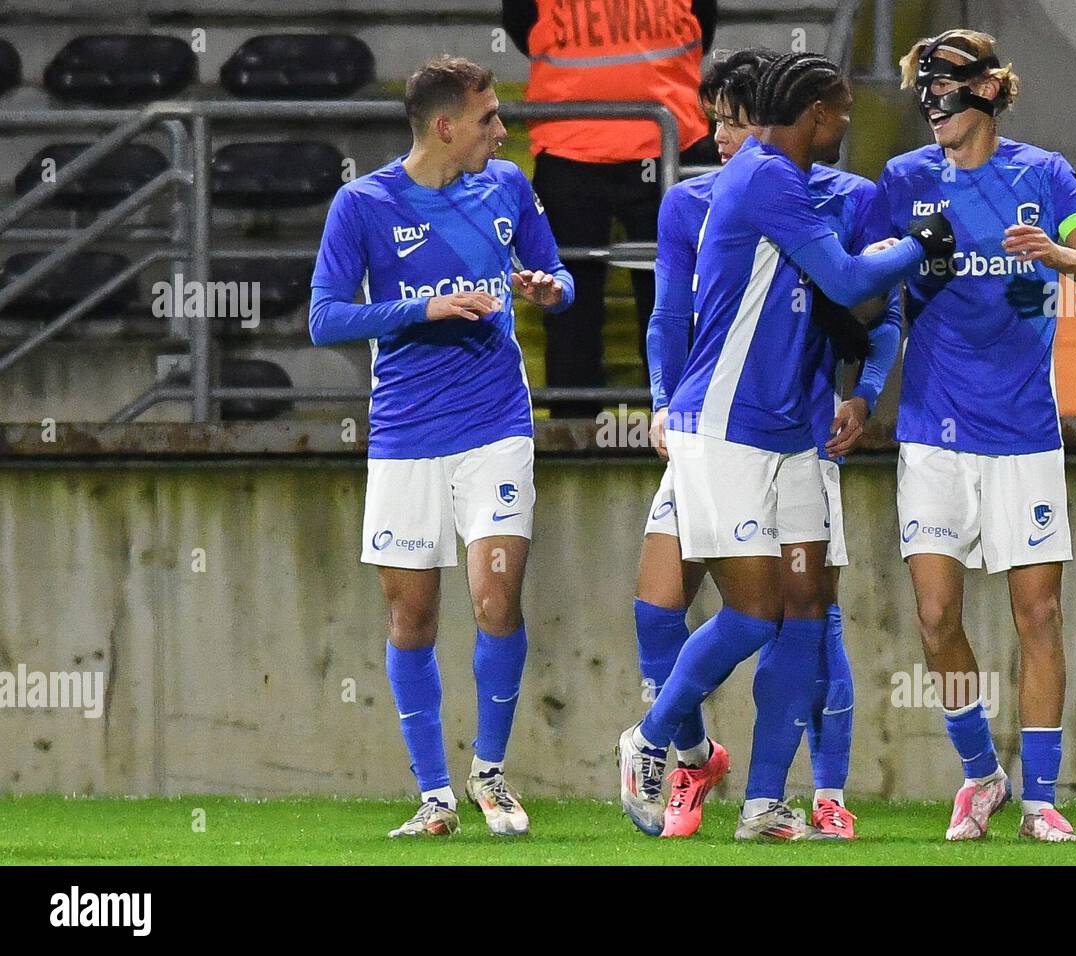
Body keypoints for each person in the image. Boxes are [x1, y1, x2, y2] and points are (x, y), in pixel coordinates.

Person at [617, 51, 954, 841]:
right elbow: (841, 277)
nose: (846, 124)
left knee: (802, 617)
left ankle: (766, 802)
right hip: (728, 428)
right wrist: (923, 241)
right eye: (839, 112)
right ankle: (655, 737)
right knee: (751, 612)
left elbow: (866, 305)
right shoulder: (762, 179)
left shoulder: (813, 187)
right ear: (811, 114)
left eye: (733, 115)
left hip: (799, 437)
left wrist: (865, 387)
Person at [862, 29, 1076, 842]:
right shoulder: (903, 179)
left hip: (1023, 434)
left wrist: (1057, 253)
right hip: (933, 435)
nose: (930, 103)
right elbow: (867, 286)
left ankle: (1042, 800)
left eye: (941, 87)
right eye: (923, 90)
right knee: (937, 618)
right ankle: (982, 779)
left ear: (983, 90)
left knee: (1037, 616)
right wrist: (867, 383)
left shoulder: (1042, 176)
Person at [308, 56, 574, 838]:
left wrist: (550, 288)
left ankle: (490, 774)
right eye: (490, 118)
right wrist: (425, 307)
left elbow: (557, 274)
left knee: (495, 599)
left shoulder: (510, 187)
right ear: (447, 126)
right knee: (411, 619)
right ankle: (434, 799)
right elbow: (325, 318)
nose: (503, 128)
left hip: (495, 424)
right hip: (403, 435)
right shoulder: (363, 203)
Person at [502, 0, 720, 416]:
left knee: (662, 301)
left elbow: (521, 26)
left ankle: (677, 421)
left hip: (653, 148)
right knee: (575, 299)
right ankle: (608, 427)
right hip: (614, 148)